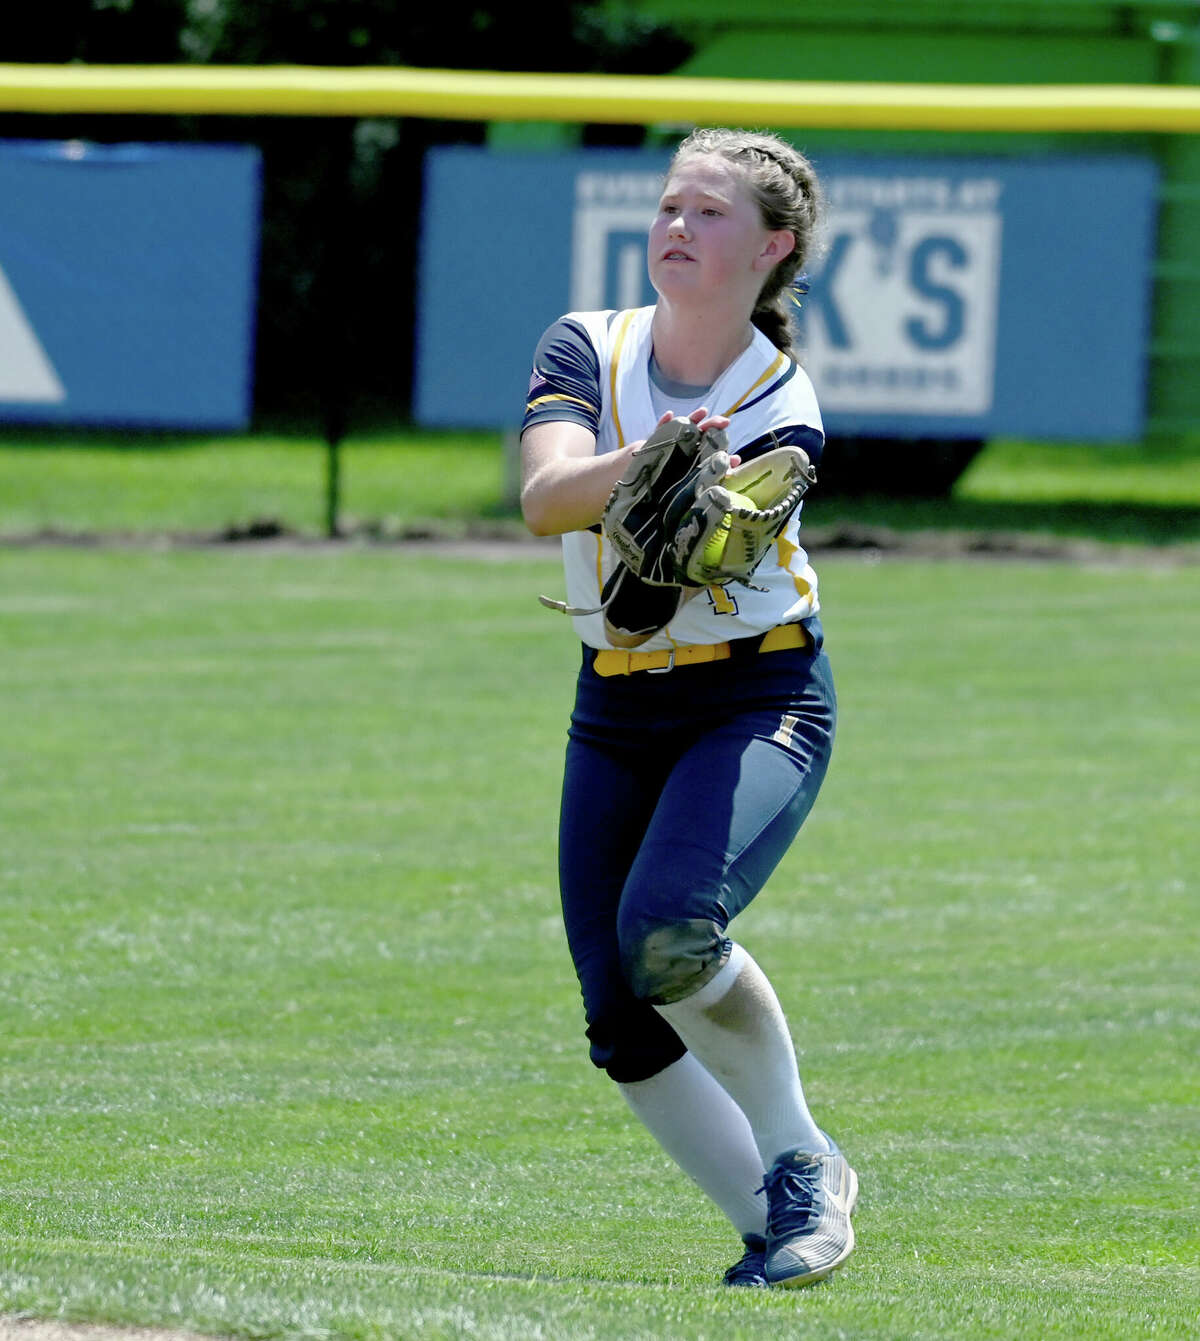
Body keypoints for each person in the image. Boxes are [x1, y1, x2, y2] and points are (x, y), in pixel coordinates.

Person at [519, 127, 857, 1290]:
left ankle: (802, 1162)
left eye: (709, 215)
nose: (676, 228)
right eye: (670, 207)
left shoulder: (779, 403)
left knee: (668, 930)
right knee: (619, 1014)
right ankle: (776, 1230)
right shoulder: (586, 343)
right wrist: (649, 460)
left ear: (775, 247)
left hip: (756, 694)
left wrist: (674, 481)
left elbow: (665, 578)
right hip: (613, 706)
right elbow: (544, 500)